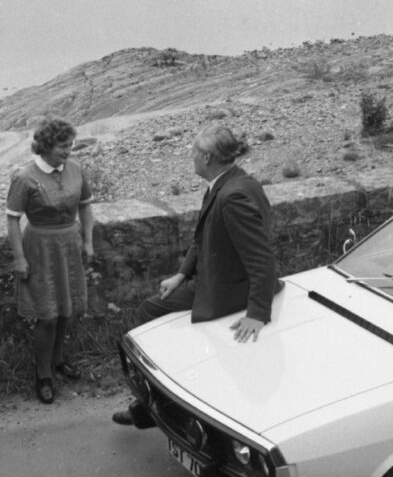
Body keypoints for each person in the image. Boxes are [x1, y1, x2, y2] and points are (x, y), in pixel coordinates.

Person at [112, 124, 282, 426]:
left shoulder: (232, 197)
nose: (189, 156)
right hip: (211, 277)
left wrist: (257, 314)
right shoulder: (230, 183)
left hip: (223, 288)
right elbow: (203, 237)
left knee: (148, 313)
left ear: (207, 157)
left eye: (193, 151)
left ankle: (152, 404)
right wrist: (180, 274)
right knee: (157, 314)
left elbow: (262, 260)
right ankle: (155, 400)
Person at [6, 117, 95, 403]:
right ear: (44, 146)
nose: (67, 151)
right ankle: (43, 374)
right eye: (61, 146)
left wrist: (88, 241)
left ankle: (58, 361)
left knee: (66, 311)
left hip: (69, 244)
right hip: (41, 247)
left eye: (70, 145)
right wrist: (19, 258)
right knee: (47, 315)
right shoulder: (24, 178)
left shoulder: (76, 169)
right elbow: (12, 221)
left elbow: (85, 207)